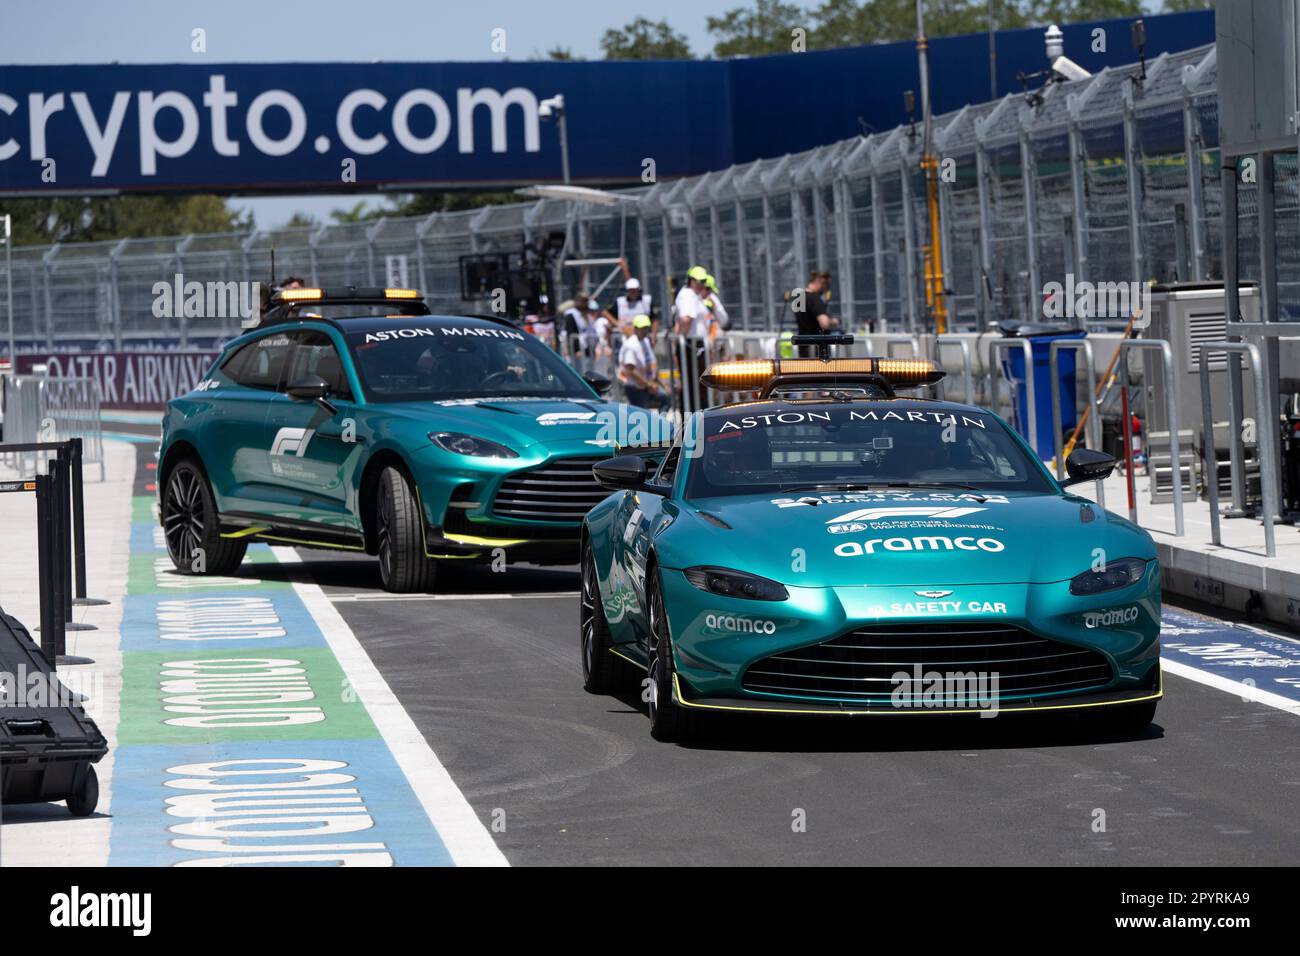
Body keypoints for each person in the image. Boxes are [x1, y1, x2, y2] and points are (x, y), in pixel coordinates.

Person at [619, 315, 668, 410]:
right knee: (641, 414)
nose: (645, 331)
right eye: (642, 328)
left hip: (647, 384)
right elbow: (631, 370)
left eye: (646, 328)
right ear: (636, 329)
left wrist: (661, 383)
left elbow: (651, 364)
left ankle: (660, 424)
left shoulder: (645, 341)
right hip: (635, 387)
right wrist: (649, 385)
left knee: (665, 399)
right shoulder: (631, 345)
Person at [789, 269, 839, 356]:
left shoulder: (799, 297)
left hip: (803, 347)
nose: (826, 289)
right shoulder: (814, 299)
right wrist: (834, 322)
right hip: (817, 351)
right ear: (822, 282)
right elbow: (824, 323)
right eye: (827, 285)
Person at [674, 266, 716, 341]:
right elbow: (686, 319)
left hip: (697, 342)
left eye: (703, 281)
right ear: (690, 280)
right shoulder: (687, 295)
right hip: (691, 343)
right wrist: (682, 340)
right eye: (698, 281)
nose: (701, 284)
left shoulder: (694, 296)